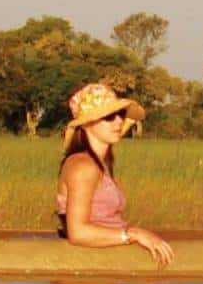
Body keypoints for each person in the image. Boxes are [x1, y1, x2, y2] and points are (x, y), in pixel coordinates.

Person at [55, 83, 175, 267]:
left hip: (108, 253)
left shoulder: (99, 163)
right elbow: (78, 233)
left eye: (121, 114)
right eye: (109, 116)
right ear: (86, 124)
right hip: (91, 263)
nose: (119, 121)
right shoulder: (83, 166)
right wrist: (132, 234)